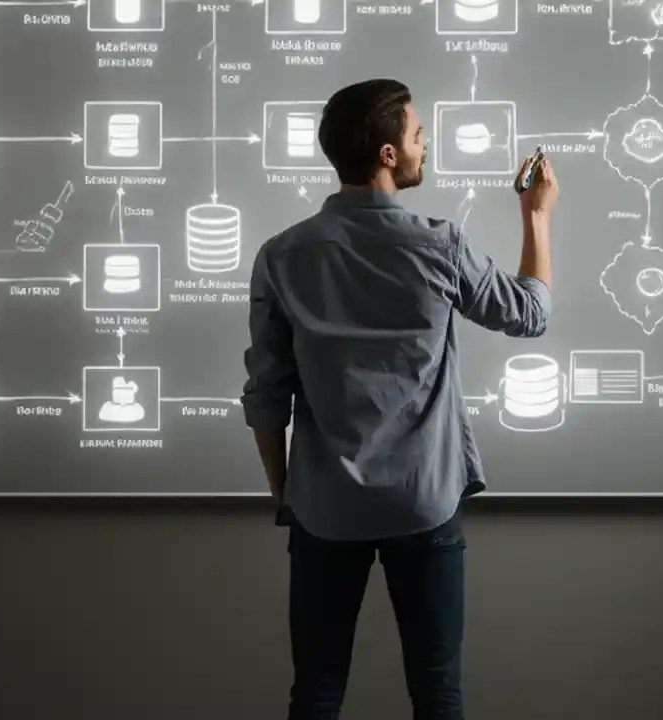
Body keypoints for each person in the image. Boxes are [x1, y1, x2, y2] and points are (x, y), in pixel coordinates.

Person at [240, 78, 558, 720]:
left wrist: (286, 496)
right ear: (387, 154)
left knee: (318, 691)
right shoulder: (438, 244)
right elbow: (529, 314)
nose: (423, 146)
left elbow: (266, 395)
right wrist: (536, 214)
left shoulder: (282, 255)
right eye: (416, 135)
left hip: (324, 506)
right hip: (424, 500)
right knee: (437, 691)